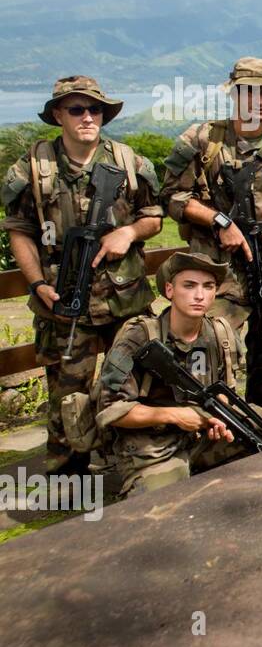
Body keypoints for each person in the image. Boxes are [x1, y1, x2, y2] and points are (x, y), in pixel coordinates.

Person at [0, 75, 162, 472]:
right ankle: (69, 471)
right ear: (58, 115)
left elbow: (154, 216)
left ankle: (133, 458)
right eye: (76, 109)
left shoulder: (128, 162)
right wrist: (37, 282)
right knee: (66, 392)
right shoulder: (34, 169)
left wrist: (128, 232)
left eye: (95, 110)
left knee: (135, 381)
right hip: (65, 301)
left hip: (124, 298)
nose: (87, 117)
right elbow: (19, 230)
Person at [160, 57, 262, 403]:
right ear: (234, 94)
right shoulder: (203, 140)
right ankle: (203, 427)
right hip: (216, 277)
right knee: (207, 356)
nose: (258, 101)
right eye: (249, 92)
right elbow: (170, 196)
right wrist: (219, 221)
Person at [97, 252, 262, 497]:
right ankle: (170, 477)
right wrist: (178, 416)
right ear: (169, 290)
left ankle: (197, 472)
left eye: (208, 286)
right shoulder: (139, 336)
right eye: (189, 285)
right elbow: (110, 410)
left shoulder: (220, 333)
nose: (199, 295)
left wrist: (218, 419)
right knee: (160, 504)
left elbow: (225, 392)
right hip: (155, 445)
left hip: (200, 436)